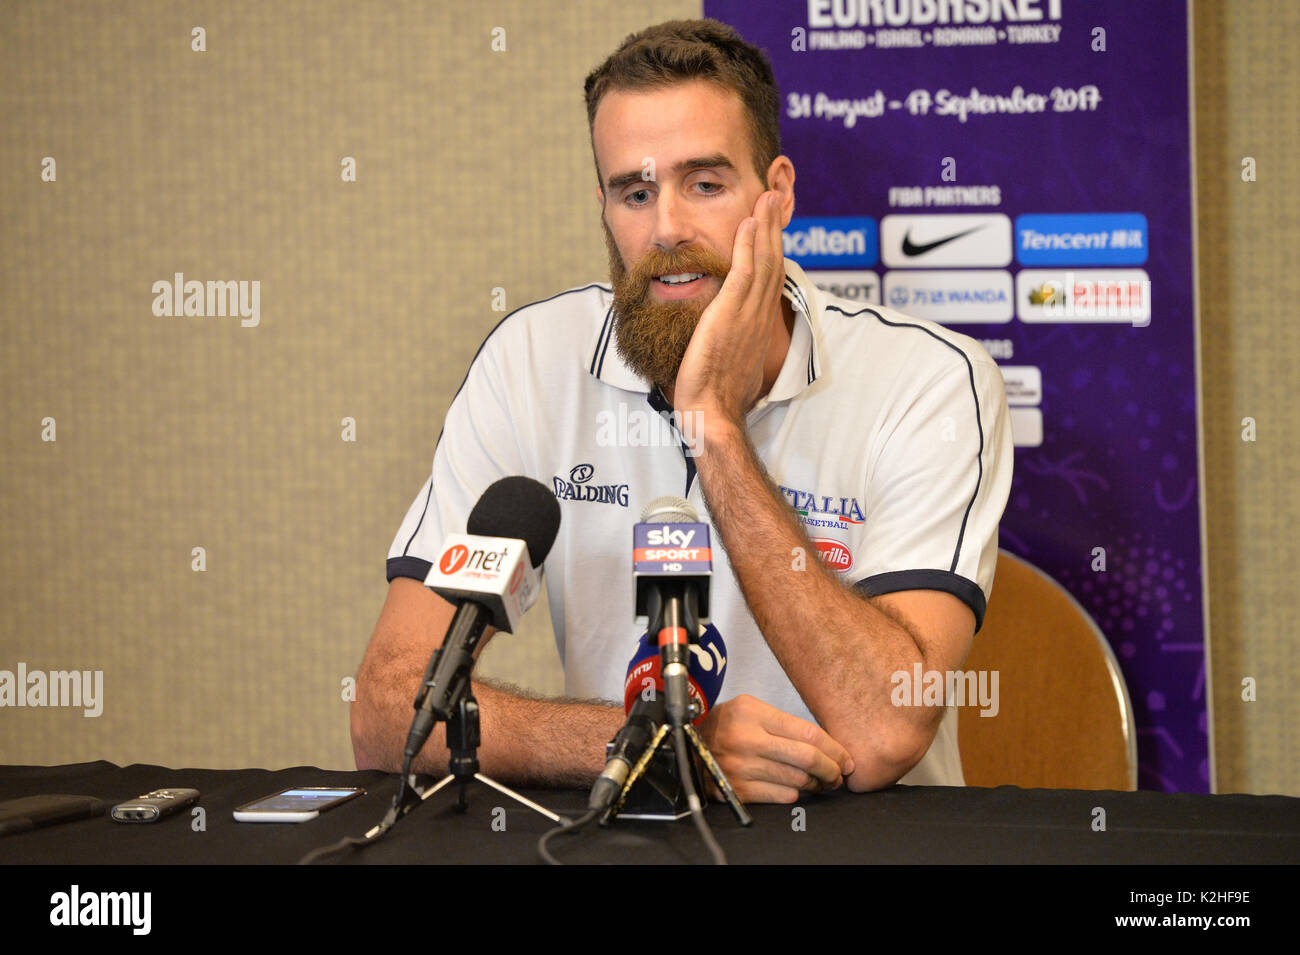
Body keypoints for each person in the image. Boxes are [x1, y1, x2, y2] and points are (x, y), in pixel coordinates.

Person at [351, 18, 1013, 802]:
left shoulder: (930, 380)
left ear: (778, 195)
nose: (667, 228)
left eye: (705, 184)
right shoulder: (528, 365)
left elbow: (880, 732)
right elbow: (390, 709)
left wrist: (715, 426)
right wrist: (657, 748)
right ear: (604, 209)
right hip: (629, 830)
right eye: (636, 192)